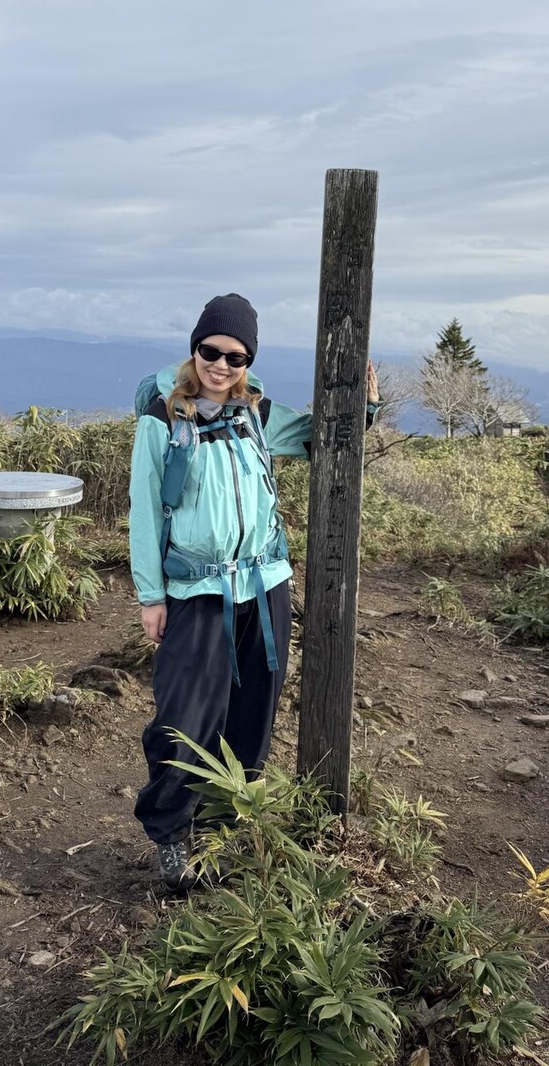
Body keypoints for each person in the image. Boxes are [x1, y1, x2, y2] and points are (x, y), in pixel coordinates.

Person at [129, 292, 380, 889]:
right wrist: (151, 596)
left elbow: (326, 438)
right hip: (196, 589)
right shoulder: (162, 421)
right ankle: (171, 833)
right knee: (185, 716)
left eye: (235, 356)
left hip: (265, 585)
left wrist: (362, 407)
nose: (220, 365)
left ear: (248, 362)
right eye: (210, 351)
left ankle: (225, 824)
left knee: (252, 712)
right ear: (194, 350)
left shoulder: (256, 415)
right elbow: (143, 512)